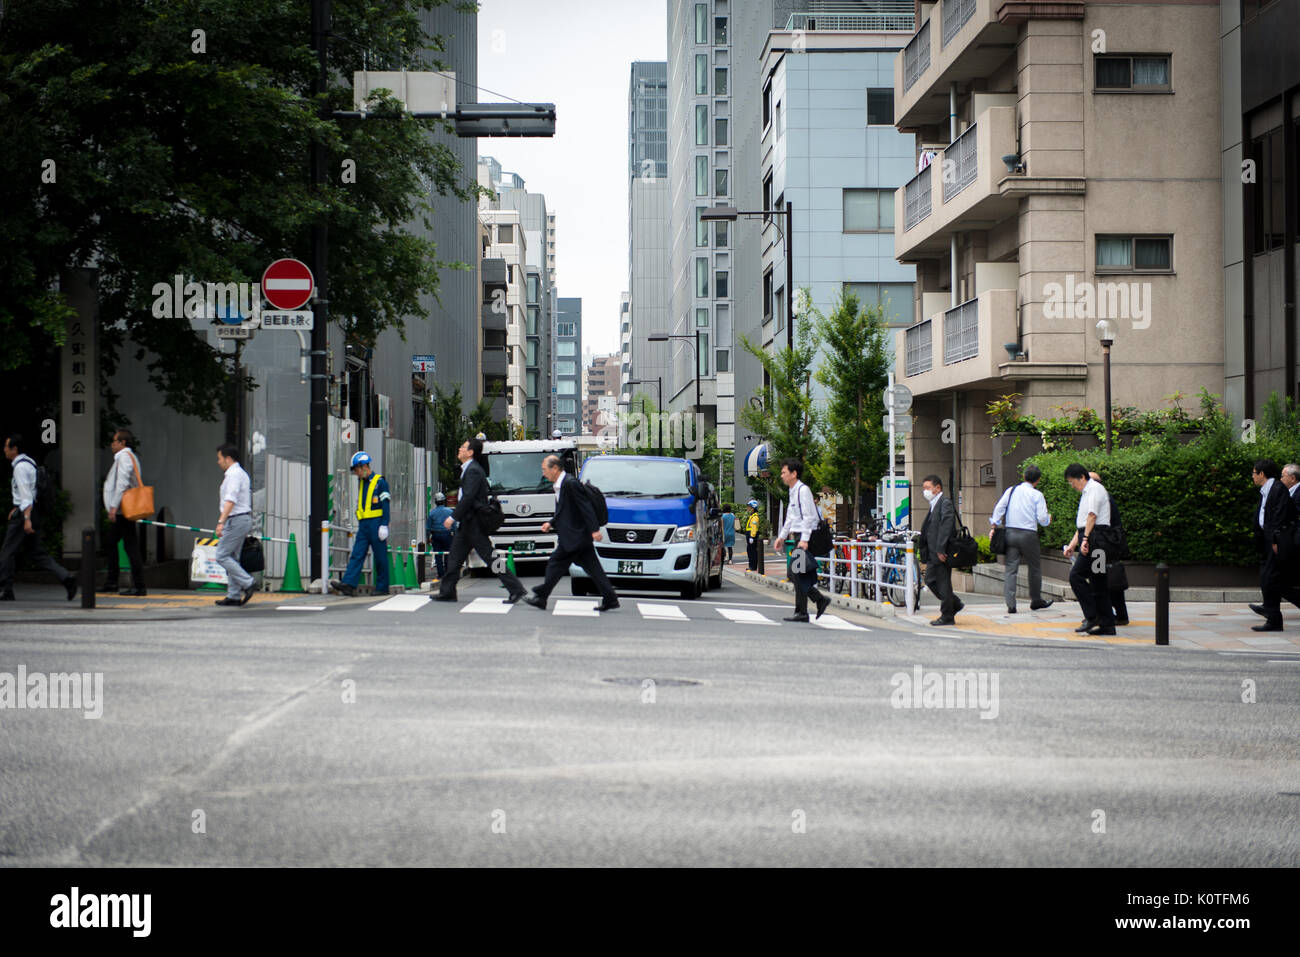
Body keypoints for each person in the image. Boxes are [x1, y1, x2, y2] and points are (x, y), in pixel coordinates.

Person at [434, 438, 525, 603]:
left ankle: (516, 588)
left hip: (474, 523)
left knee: (490, 558)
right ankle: (447, 591)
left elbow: (468, 497)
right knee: (454, 557)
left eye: (463, 447)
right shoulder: (468, 469)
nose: (460, 449)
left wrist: (453, 517)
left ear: (470, 452)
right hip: (468, 523)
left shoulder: (474, 470)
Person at [522, 455, 619, 611]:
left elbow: (585, 506)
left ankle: (542, 595)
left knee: (555, 564)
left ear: (555, 468)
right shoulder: (561, 485)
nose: (543, 473)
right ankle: (611, 599)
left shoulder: (570, 483)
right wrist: (551, 523)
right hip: (577, 536)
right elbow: (564, 510)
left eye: (544, 469)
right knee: (594, 570)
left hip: (574, 536)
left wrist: (594, 529)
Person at [0, 434, 77, 602]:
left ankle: (6, 589)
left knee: (7, 552)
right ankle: (66, 578)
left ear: (15, 449)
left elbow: (26, 495)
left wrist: (25, 518)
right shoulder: (30, 462)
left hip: (24, 515)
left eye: (7, 446)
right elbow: (31, 493)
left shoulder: (20, 468)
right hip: (32, 512)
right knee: (37, 553)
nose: (4, 450)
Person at [772, 459, 830, 622]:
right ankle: (806, 608)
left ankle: (813, 604)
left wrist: (804, 539)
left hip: (805, 536)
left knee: (794, 572)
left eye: (784, 472)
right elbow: (791, 517)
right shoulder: (793, 491)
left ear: (794, 473)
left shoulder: (802, 490)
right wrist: (782, 537)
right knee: (798, 573)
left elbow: (808, 516)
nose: (781, 475)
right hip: (798, 536)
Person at [989, 464, 1052, 614]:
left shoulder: (1011, 490)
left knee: (1011, 569)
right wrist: (1048, 520)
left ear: (1024, 476)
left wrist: (994, 525)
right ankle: (1036, 600)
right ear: (1038, 480)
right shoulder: (1037, 495)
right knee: (1034, 568)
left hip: (1010, 533)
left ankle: (1011, 604)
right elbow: (1043, 519)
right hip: (1029, 535)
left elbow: (999, 508)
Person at [1062, 463, 1115, 636]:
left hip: (1097, 541)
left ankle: (1093, 616)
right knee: (1098, 582)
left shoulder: (1094, 489)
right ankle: (1107, 624)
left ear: (1082, 477)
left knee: (1076, 576)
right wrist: (1073, 544)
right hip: (1093, 538)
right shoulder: (1087, 491)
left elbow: (1092, 516)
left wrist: (1085, 539)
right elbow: (1084, 524)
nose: (1072, 486)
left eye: (1073, 482)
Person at [329, 451, 392, 598]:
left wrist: (384, 525)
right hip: (364, 526)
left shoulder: (380, 482)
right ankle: (349, 584)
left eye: (357, 470)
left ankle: (383, 587)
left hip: (377, 524)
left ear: (364, 466)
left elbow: (386, 505)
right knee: (357, 554)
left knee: (380, 557)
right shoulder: (362, 482)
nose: (356, 473)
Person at [1249, 458, 1295, 632]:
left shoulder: (1277, 489)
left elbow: (1281, 517)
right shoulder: (1266, 490)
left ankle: (1273, 618)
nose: (1252, 476)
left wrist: (1276, 540)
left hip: (1276, 543)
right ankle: (1271, 613)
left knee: (1270, 579)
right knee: (1268, 579)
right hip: (1267, 542)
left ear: (1262, 473)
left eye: (1254, 473)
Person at [100, 428, 146, 595]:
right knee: (112, 543)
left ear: (123, 443)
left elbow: (122, 483)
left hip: (123, 510)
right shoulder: (125, 457)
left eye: (115, 441)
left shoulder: (125, 457)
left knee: (130, 546)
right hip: (123, 509)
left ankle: (139, 586)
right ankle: (113, 582)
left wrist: (113, 506)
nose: (112, 444)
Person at [213, 443, 256, 607]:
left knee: (221, 555)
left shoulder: (234, 475)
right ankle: (234, 595)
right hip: (240, 519)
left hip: (236, 519)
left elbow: (230, 500)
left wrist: (221, 522)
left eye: (219, 458)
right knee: (232, 557)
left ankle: (248, 582)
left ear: (228, 458)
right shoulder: (240, 474)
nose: (218, 462)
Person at [918, 474, 961, 626]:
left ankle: (947, 615)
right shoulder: (934, 504)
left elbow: (947, 525)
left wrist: (941, 548)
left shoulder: (945, 503)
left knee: (943, 583)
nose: (925, 491)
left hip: (940, 551)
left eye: (928, 488)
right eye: (924, 488)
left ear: (938, 488)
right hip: (932, 552)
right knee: (930, 580)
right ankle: (954, 603)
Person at [1090, 470, 1129, 626]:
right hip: (1107, 544)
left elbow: (1093, 521)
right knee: (1108, 579)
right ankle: (1118, 614)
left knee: (1101, 579)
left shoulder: (1100, 499)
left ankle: (1107, 615)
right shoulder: (1105, 497)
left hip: (1102, 545)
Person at [426, 491, 455, 579]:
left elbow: (428, 528)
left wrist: (428, 538)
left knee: (438, 555)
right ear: (444, 501)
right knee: (447, 554)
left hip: (436, 535)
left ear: (435, 502)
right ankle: (447, 572)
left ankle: (440, 573)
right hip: (447, 535)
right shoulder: (450, 511)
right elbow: (454, 526)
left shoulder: (432, 513)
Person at [744, 499, 761, 570]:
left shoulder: (755, 517)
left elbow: (753, 528)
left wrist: (752, 536)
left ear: (753, 508)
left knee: (752, 552)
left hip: (752, 536)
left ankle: (753, 567)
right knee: (750, 551)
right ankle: (751, 566)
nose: (748, 508)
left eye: (749, 507)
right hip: (750, 536)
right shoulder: (752, 516)